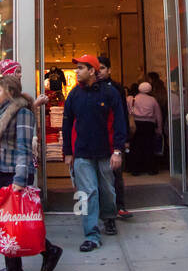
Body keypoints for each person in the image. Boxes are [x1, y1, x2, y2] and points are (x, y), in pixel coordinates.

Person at [0, 74, 63, 271]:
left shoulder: (23, 113)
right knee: (6, 221)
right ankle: (13, 267)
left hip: (14, 174)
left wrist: (19, 180)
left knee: (20, 220)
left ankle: (49, 250)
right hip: (1, 170)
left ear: (9, 92)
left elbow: (24, 148)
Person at [62, 54, 125, 251]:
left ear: (92, 71)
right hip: (82, 153)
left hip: (105, 152)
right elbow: (67, 123)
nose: (76, 71)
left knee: (107, 190)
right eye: (77, 67)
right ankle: (91, 234)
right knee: (88, 192)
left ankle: (108, 217)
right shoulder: (73, 95)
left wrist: (118, 150)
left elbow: (119, 123)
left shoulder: (110, 93)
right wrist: (68, 152)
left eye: (80, 67)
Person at [96, 55, 133, 218]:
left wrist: (124, 139)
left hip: (114, 139)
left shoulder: (116, 88)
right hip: (96, 139)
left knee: (116, 174)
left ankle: (120, 206)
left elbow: (122, 115)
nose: (99, 72)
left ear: (109, 70)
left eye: (102, 68)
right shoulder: (89, 87)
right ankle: (101, 208)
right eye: (96, 69)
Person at [128, 81, 163, 175]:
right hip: (149, 125)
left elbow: (128, 112)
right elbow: (158, 115)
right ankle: (151, 169)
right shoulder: (153, 100)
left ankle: (135, 170)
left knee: (136, 147)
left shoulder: (132, 99)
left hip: (136, 124)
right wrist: (159, 128)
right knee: (149, 147)